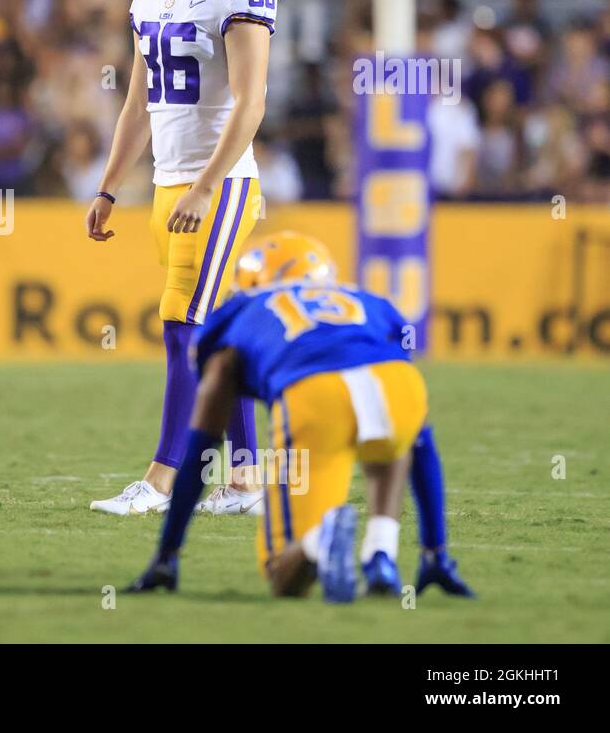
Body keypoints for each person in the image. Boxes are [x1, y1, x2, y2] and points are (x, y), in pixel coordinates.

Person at [128, 232, 474, 601]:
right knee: (396, 439)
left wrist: (166, 554)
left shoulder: (242, 310)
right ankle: (381, 553)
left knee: (282, 574)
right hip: (397, 385)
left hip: (316, 398)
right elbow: (419, 434)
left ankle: (316, 543)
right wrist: (435, 551)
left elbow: (203, 441)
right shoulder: (364, 298)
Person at [86, 0, 277, 517]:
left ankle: (161, 482)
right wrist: (110, 185)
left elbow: (251, 102)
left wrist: (204, 185)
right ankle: (247, 483)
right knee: (217, 339)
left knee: (181, 329)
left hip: (216, 187)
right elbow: (139, 102)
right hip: (169, 186)